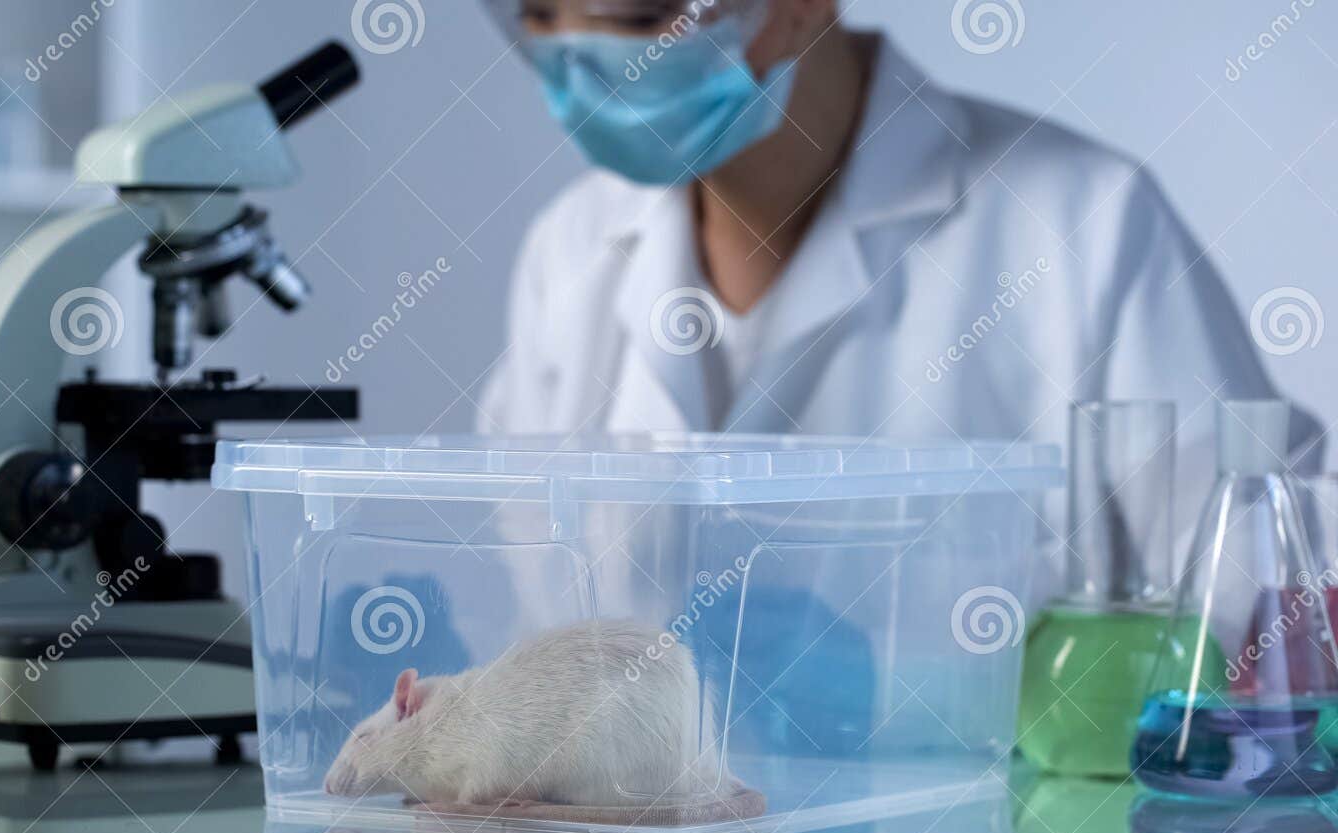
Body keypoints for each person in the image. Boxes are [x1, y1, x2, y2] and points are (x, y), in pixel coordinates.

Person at [476, 0, 1320, 528]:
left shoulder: (1083, 227)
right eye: (539, 18)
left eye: (635, 19)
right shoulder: (571, 248)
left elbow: (1269, 607)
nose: (582, 65)